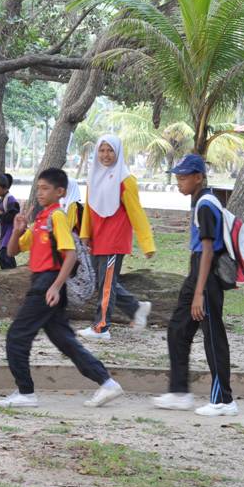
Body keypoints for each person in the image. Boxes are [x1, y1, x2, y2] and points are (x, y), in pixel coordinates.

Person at [0, 167, 124, 409]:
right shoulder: (41, 220)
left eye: (46, 188)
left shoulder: (57, 217)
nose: (40, 193)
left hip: (47, 286)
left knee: (17, 336)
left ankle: (25, 393)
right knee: (64, 340)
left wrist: (56, 287)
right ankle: (107, 383)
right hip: (42, 284)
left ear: (60, 192)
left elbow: (70, 255)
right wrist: (17, 230)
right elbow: (13, 251)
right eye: (39, 188)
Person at [153, 155, 238, 417]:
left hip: (207, 276)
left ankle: (224, 400)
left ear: (198, 177)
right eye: (177, 177)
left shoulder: (205, 204)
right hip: (197, 272)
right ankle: (179, 393)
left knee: (213, 337)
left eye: (183, 177)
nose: (179, 182)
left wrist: (199, 292)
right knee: (178, 329)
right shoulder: (201, 200)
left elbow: (209, 251)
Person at [78, 135, 155, 341]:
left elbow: (136, 212)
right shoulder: (93, 176)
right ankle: (136, 307)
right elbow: (88, 209)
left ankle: (101, 327)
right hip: (97, 239)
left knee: (106, 285)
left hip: (115, 240)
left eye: (110, 150)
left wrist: (147, 243)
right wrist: (85, 234)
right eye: (102, 150)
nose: (105, 155)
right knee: (100, 282)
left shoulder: (126, 180)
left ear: (118, 152)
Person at [0, 174, 20, 269]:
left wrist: (0, 213)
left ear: (5, 188)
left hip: (10, 230)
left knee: (5, 253)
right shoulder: (1, 199)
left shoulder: (11, 200)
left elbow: (13, 216)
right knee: (5, 253)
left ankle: (10, 273)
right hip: (5, 230)